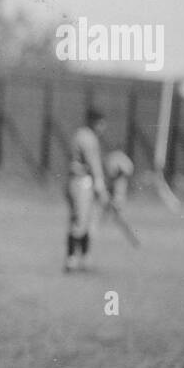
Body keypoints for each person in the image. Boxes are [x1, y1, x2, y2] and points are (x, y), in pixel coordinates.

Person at [65, 108, 109, 272]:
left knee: (86, 221)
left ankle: (83, 259)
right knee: (80, 222)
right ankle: (72, 259)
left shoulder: (82, 135)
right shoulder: (87, 137)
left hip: (79, 182)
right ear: (93, 121)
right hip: (81, 182)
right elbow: (93, 162)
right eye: (101, 123)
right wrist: (99, 182)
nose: (103, 127)